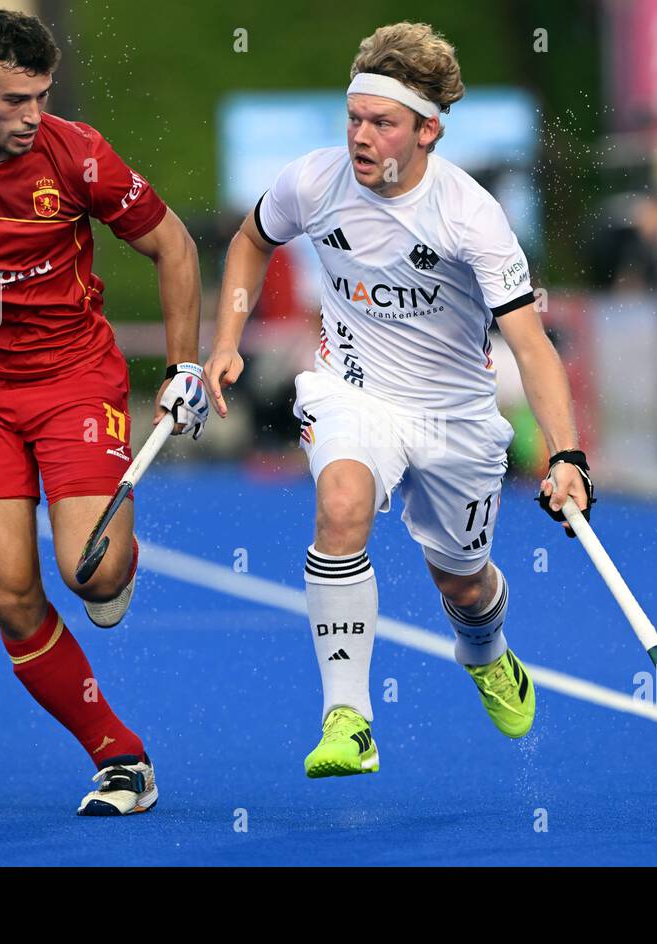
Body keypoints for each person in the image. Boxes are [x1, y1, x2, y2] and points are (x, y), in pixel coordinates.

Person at [205, 22, 593, 777]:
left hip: (455, 418)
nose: (361, 136)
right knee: (341, 505)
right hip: (352, 391)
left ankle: (486, 650)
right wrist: (226, 338)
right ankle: (348, 718)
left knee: (464, 581)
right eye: (354, 118)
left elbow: (531, 344)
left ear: (427, 131)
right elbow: (251, 239)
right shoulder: (313, 182)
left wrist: (565, 453)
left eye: (382, 123)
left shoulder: (471, 216)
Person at [0, 9, 207, 814]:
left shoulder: (78, 151)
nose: (32, 117)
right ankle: (121, 758)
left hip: (71, 380)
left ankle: (110, 565)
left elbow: (175, 247)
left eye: (43, 96)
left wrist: (183, 364)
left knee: (93, 568)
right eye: (15, 100)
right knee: (9, 589)